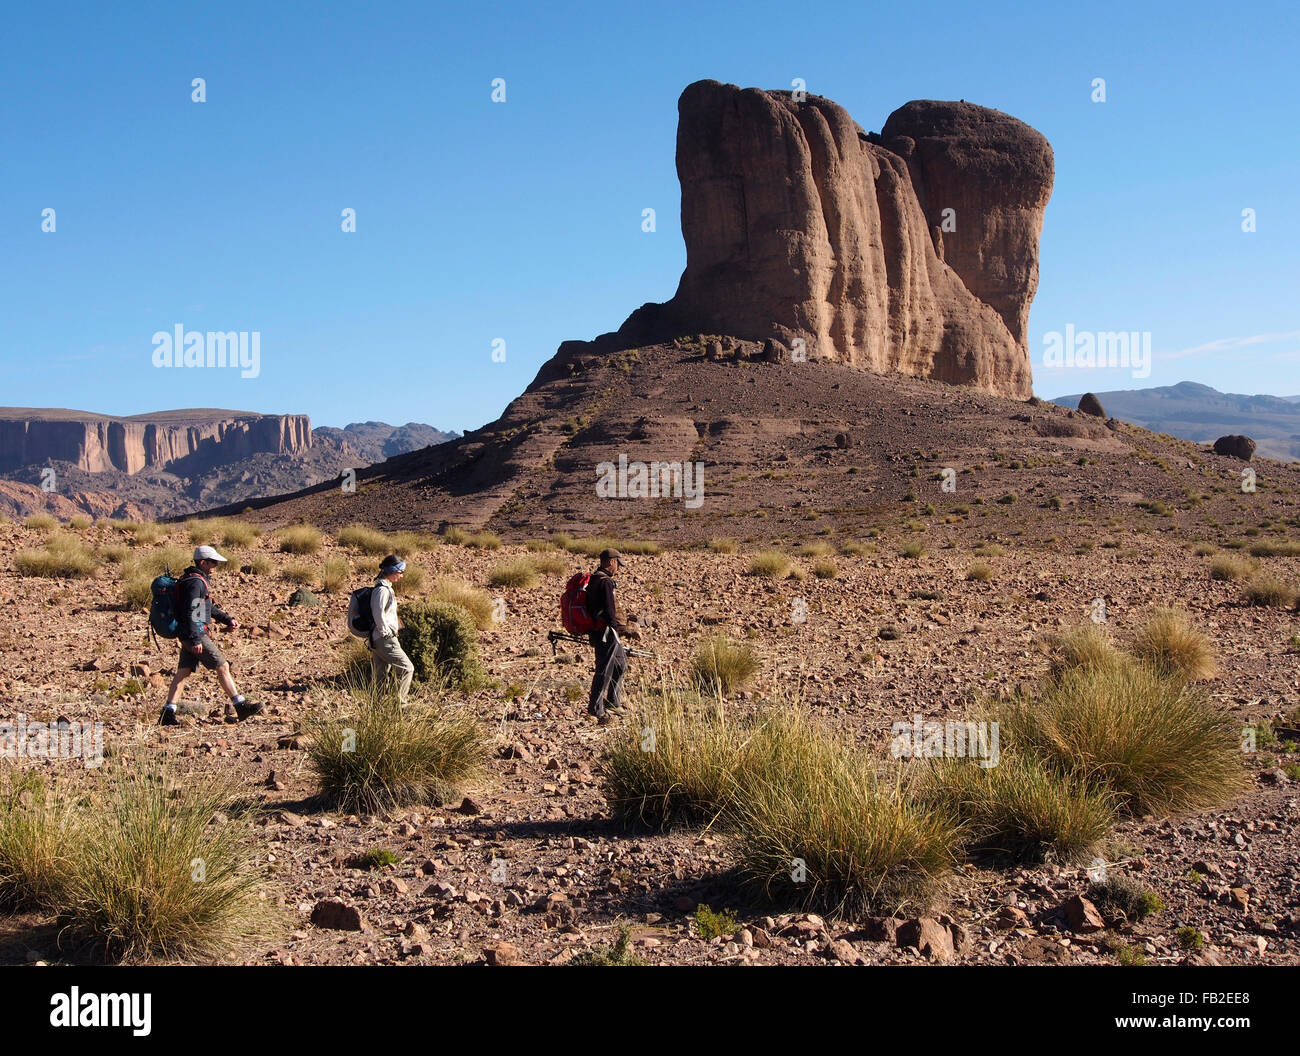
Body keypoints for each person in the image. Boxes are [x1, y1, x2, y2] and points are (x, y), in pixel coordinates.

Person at [160, 545, 261, 726]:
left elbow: (206, 608)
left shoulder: (193, 580)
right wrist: (195, 639)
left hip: (189, 633)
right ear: (203, 562)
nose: (216, 565)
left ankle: (167, 712)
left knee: (183, 672)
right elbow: (191, 610)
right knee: (222, 666)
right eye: (213, 562)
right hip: (195, 633)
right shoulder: (196, 582)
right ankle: (241, 706)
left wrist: (227, 619)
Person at [586, 548, 640, 721]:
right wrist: (618, 629)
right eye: (618, 564)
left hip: (598, 630)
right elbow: (610, 610)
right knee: (604, 669)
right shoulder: (605, 582)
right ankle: (596, 709)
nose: (618, 568)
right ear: (611, 562)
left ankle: (613, 703)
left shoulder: (593, 579)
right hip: (607, 632)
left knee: (620, 663)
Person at [370, 554, 415, 704]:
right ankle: (400, 705)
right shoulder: (382, 590)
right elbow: (378, 612)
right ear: (392, 571)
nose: (401, 576)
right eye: (400, 572)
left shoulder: (384, 588)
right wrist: (385, 633)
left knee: (381, 674)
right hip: (384, 638)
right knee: (407, 668)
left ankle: (376, 708)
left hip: (378, 638)